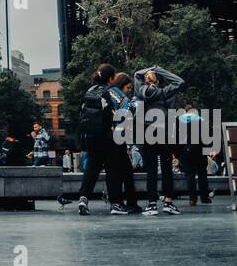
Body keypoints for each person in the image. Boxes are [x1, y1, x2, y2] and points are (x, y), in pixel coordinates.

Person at [70, 64, 127, 216]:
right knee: (112, 169)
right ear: (110, 78)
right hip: (107, 136)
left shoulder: (90, 91)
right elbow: (122, 110)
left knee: (92, 168)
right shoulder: (112, 92)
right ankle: (115, 204)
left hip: (90, 136)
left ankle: (83, 199)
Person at [134, 66, 185, 216]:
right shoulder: (166, 92)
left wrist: (149, 70)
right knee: (167, 167)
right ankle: (168, 202)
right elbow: (180, 81)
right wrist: (158, 70)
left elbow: (137, 73)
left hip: (147, 132)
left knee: (151, 170)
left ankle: (151, 204)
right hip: (165, 132)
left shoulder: (140, 91)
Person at [108, 73, 142, 215]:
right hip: (117, 138)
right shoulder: (119, 95)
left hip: (111, 138)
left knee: (119, 171)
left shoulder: (108, 93)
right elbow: (127, 113)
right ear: (122, 85)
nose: (129, 90)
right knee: (123, 171)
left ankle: (123, 202)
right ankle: (125, 203)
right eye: (128, 87)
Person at [177, 104, 213, 207]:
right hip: (200, 150)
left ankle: (193, 199)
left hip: (185, 151)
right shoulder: (201, 119)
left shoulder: (179, 120)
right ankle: (205, 198)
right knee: (202, 174)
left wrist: (177, 150)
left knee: (189, 176)